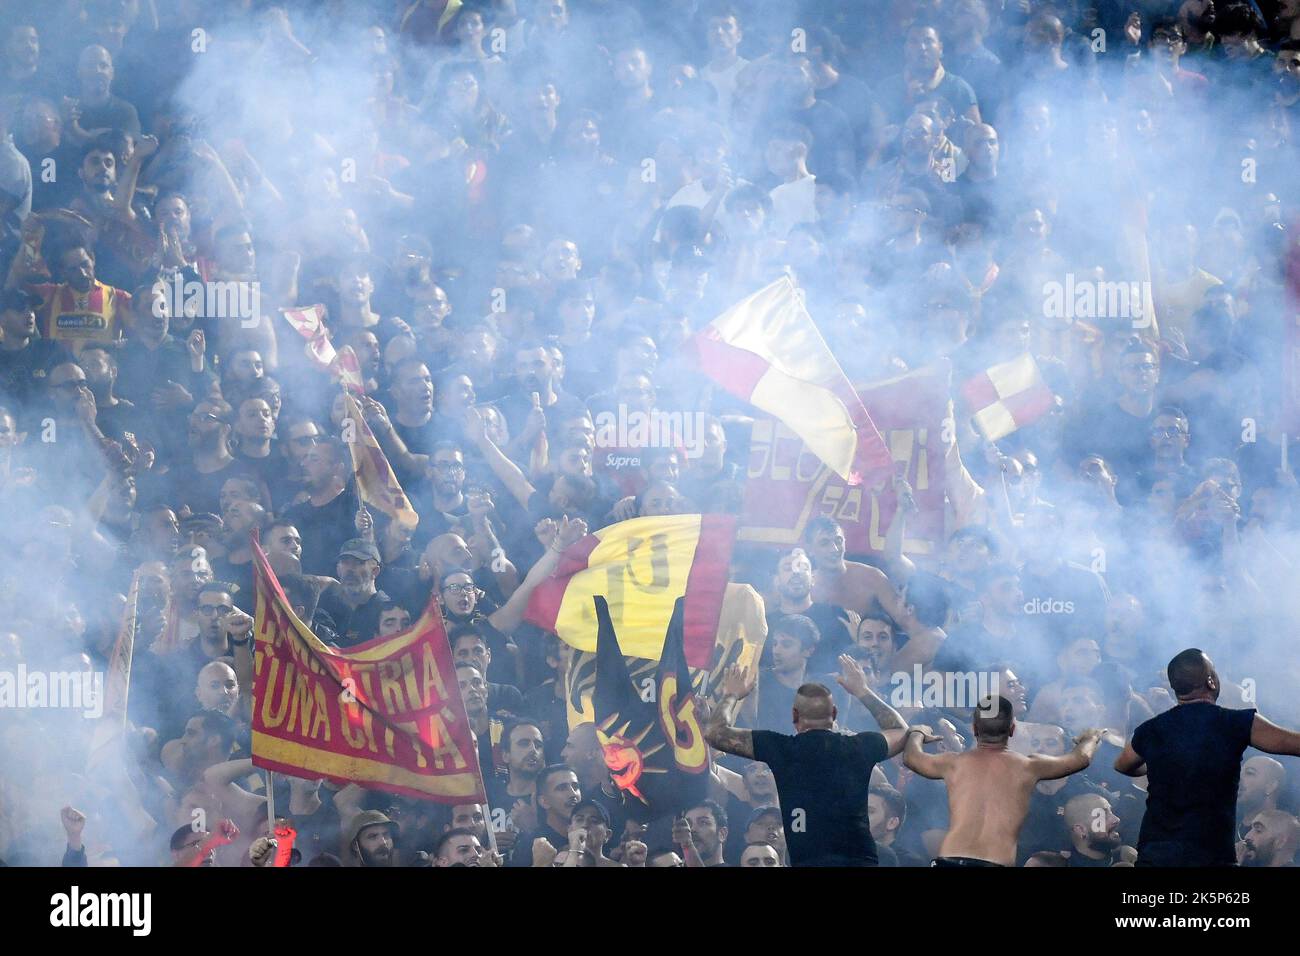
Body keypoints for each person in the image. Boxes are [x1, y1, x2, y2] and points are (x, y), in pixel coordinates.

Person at [705, 656, 912, 866]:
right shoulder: (859, 747)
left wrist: (731, 695)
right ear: (834, 714)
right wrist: (862, 691)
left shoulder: (780, 748)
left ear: (795, 715)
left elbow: (714, 733)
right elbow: (901, 731)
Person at [1116, 649, 1300, 867]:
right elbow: (1293, 744)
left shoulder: (1151, 730)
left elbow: (1122, 765)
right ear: (1211, 681)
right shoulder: (1235, 722)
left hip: (1156, 858)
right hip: (1210, 858)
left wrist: (1155, 764)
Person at [903, 695, 1104, 867]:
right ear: (1012, 728)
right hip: (995, 861)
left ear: (974, 728)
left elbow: (912, 758)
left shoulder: (953, 763)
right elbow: (1081, 759)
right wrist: (1090, 738)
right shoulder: (1027, 767)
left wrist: (917, 733)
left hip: (950, 860)